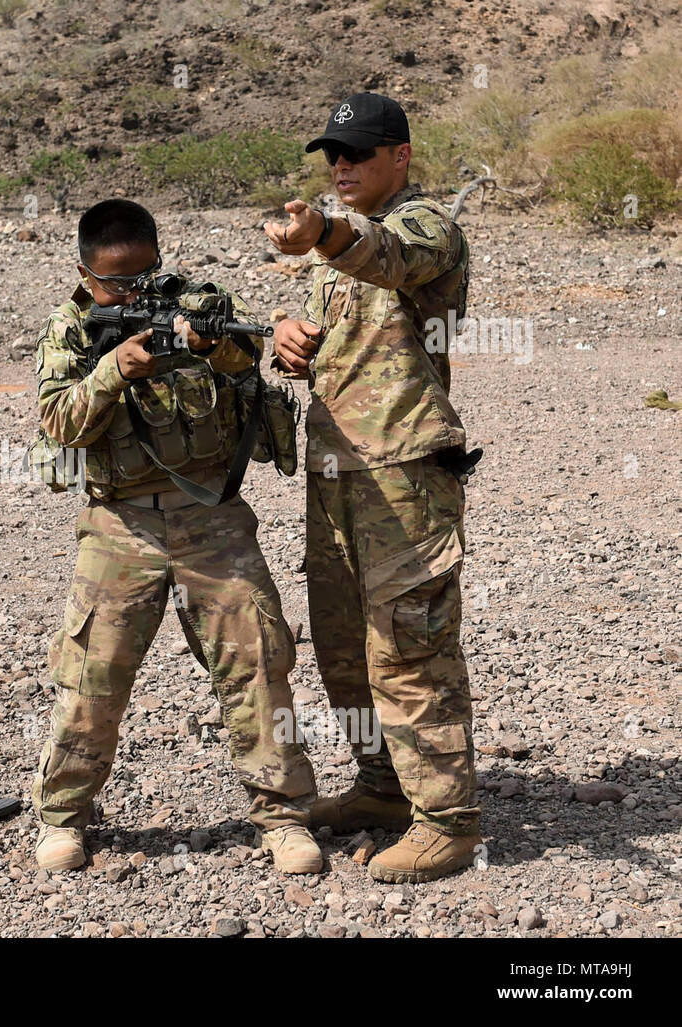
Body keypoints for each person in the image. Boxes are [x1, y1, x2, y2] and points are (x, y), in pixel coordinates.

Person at [27, 198, 321, 876]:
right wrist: (114, 372)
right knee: (91, 675)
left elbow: (254, 365)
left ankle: (282, 815)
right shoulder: (70, 328)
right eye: (115, 284)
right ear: (85, 273)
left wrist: (212, 345)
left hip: (211, 518)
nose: (132, 294)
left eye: (144, 277)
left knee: (258, 665)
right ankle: (64, 816)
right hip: (119, 524)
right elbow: (59, 423)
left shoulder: (199, 301)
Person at [263, 93, 481, 882]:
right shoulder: (335, 246)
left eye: (358, 153)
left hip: (405, 475)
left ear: (402, 156)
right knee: (346, 652)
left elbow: (386, 257)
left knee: (410, 651)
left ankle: (448, 821)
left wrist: (320, 232)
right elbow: (328, 337)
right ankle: (385, 789)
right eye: (333, 156)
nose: (342, 167)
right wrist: (288, 337)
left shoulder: (427, 226)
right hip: (335, 472)